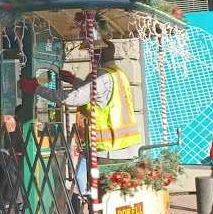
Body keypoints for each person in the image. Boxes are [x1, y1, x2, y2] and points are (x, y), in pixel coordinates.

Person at [18, 42, 142, 195]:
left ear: (97, 55)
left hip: (110, 151)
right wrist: (73, 81)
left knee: (106, 200)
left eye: (91, 54)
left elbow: (72, 98)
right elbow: (94, 93)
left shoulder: (103, 76)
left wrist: (36, 88)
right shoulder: (118, 74)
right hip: (126, 148)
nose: (90, 58)